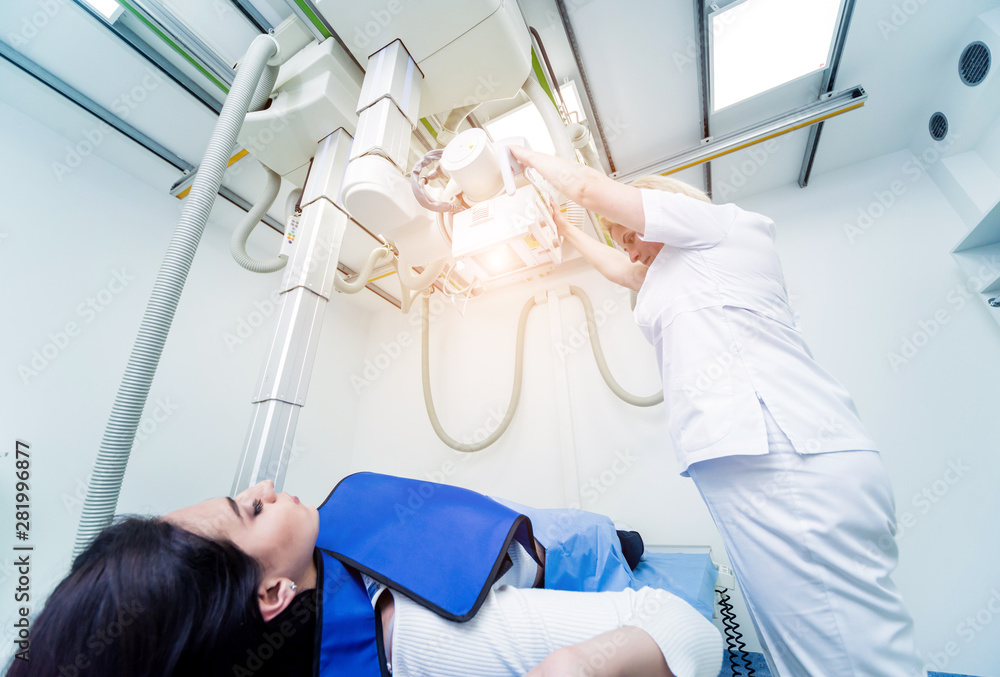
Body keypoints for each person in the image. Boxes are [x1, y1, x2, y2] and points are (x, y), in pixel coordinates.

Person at [508, 145, 924, 677]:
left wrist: (525, 157)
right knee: (807, 651)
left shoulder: (717, 228)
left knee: (849, 654)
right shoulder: (675, 268)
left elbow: (589, 189)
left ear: (655, 206)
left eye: (630, 232)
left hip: (786, 456)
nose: (630, 251)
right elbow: (618, 268)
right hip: (756, 468)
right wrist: (562, 231)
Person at [6, 476, 722, 677]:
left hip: (558, 542)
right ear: (272, 593)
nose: (265, 484)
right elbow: (684, 627)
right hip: (585, 564)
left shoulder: (330, 542)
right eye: (251, 507)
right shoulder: (422, 641)